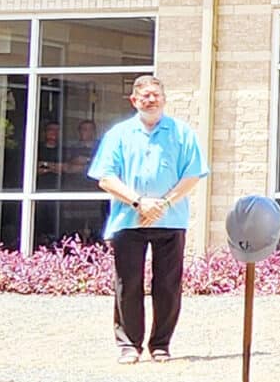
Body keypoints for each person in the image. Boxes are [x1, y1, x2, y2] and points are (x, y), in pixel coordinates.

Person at [89, 76, 208, 365]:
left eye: (155, 95)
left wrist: (163, 203)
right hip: (129, 221)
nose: (151, 100)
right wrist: (138, 202)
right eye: (144, 96)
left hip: (171, 219)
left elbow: (193, 174)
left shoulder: (182, 133)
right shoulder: (119, 134)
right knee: (127, 284)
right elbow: (105, 177)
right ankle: (129, 345)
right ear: (134, 100)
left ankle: (161, 344)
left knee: (167, 285)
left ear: (164, 99)